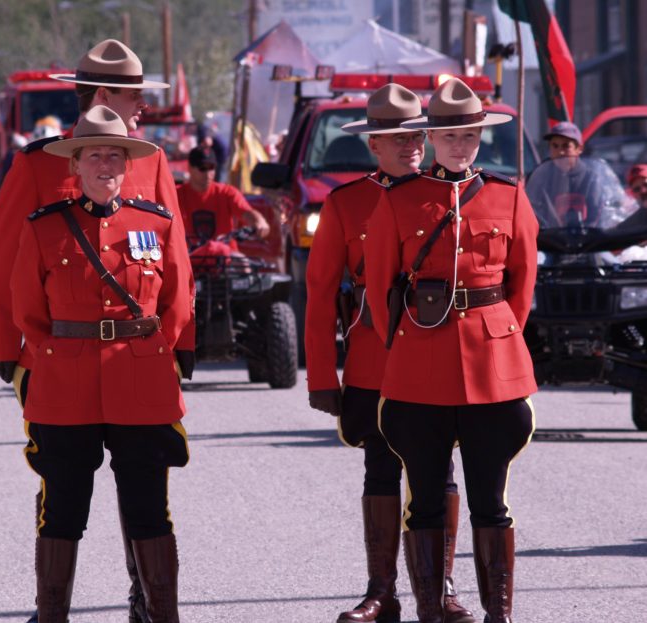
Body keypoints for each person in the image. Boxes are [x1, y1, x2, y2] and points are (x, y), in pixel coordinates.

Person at [0, 39, 194, 622]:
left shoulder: (149, 159)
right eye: (134, 96)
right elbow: (7, 266)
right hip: (66, 359)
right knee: (64, 490)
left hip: (137, 357)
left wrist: (180, 343)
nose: (143, 108)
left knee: (146, 491)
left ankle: (145, 600)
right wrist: (12, 351)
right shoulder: (36, 162)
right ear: (103, 94)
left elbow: (172, 254)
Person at [364, 78, 538, 623]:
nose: (461, 144)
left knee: (492, 499)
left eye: (470, 135)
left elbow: (523, 286)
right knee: (426, 500)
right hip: (422, 365)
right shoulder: (399, 199)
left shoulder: (509, 196)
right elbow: (377, 288)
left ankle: (498, 613)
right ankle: (432, 611)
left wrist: (497, 333)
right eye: (451, 134)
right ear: (431, 136)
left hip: (493, 364)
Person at [305, 83, 474, 623]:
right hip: (374, 358)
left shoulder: (447, 195)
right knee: (380, 470)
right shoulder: (346, 202)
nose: (410, 147)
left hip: (436, 357)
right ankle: (381, 591)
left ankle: (440, 587)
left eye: (415, 136)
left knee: (441, 472)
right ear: (372, 144)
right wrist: (320, 378)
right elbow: (321, 294)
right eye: (395, 139)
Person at [177, 146, 270, 244]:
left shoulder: (226, 192)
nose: (208, 173)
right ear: (190, 168)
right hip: (188, 256)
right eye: (202, 168)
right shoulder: (176, 194)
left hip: (223, 255)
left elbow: (246, 212)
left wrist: (259, 220)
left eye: (211, 168)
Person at [525, 121, 606, 227]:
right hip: (549, 239)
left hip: (585, 238)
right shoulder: (540, 176)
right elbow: (533, 211)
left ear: (579, 149)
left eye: (566, 146)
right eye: (555, 146)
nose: (560, 152)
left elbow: (597, 214)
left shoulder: (591, 177)